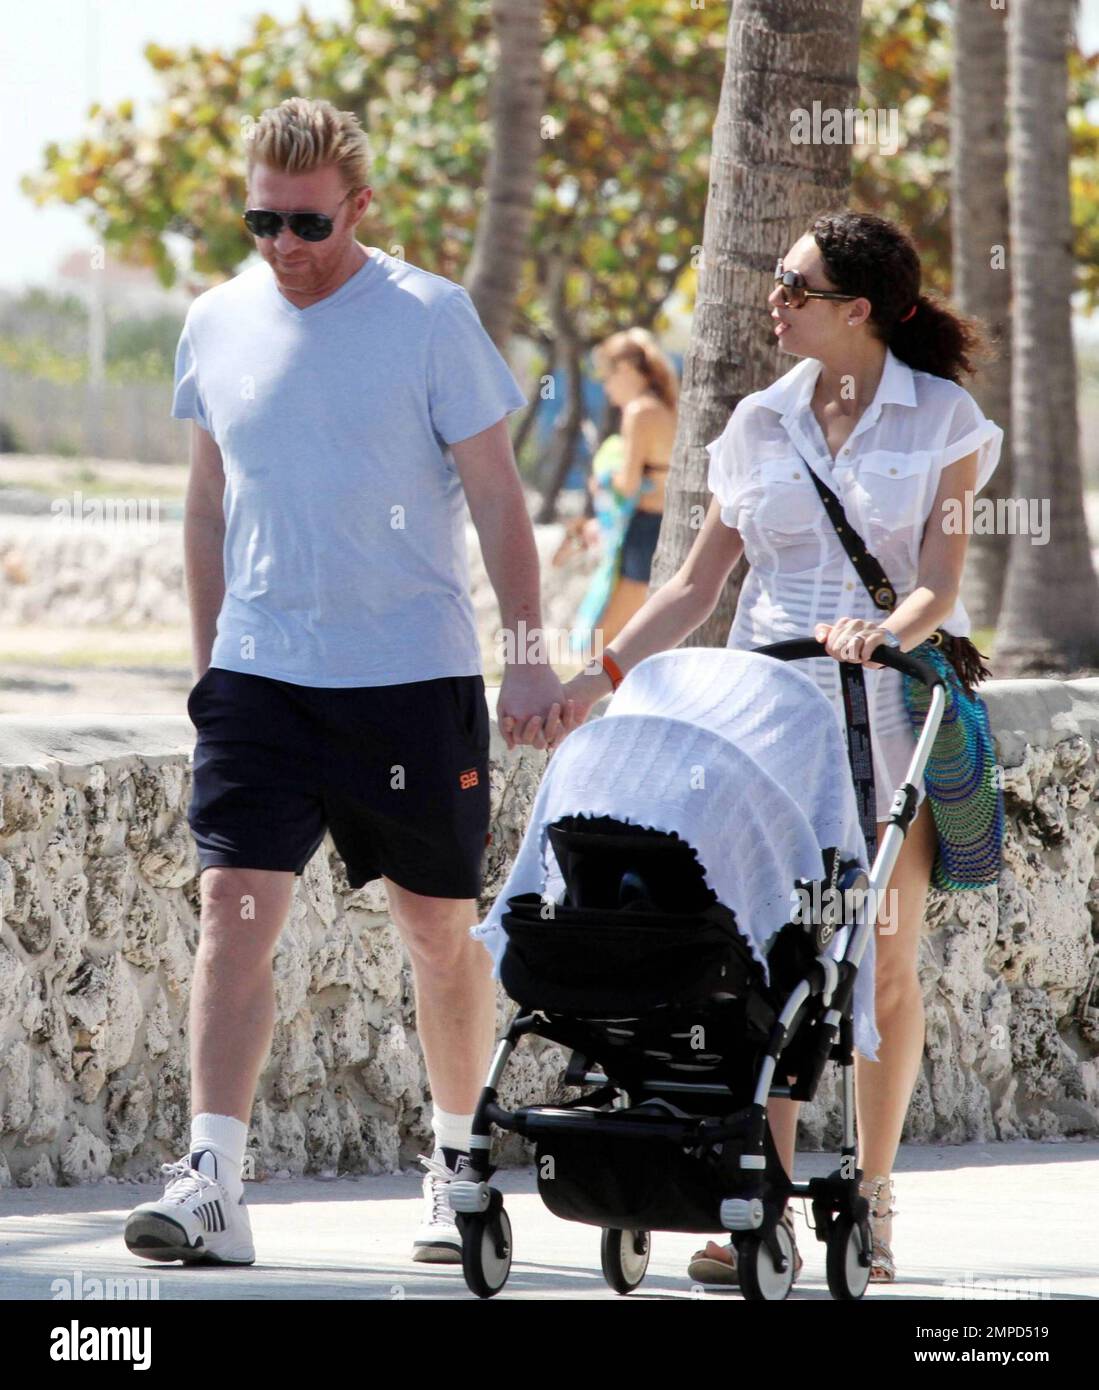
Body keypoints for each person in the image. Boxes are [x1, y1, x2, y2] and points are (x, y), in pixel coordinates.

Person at [124, 97, 570, 1268]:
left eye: (308, 224)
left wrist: (526, 655)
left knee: (436, 929)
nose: (283, 245)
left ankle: (457, 1162)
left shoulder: (428, 317)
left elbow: (498, 502)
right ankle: (213, 1176)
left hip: (409, 680)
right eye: (262, 220)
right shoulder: (215, 321)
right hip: (261, 681)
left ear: (360, 206)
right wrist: (207, 662)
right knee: (233, 909)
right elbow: (209, 503)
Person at [537, 209, 1003, 1284]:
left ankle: (872, 1204)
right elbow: (698, 587)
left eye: (793, 285)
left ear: (857, 310)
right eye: (771, 279)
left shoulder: (941, 418)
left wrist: (889, 631)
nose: (771, 298)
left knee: (880, 958)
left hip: (881, 710)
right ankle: (761, 1199)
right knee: (761, 953)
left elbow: (941, 577)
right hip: (758, 718)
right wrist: (590, 681)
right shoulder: (757, 420)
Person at [582, 329, 678, 644]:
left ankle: (593, 694)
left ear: (625, 370)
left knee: (602, 637)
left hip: (645, 529)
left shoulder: (639, 412)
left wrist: (603, 480)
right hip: (663, 527)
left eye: (607, 376)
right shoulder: (663, 405)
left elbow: (628, 484)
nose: (605, 387)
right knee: (633, 635)